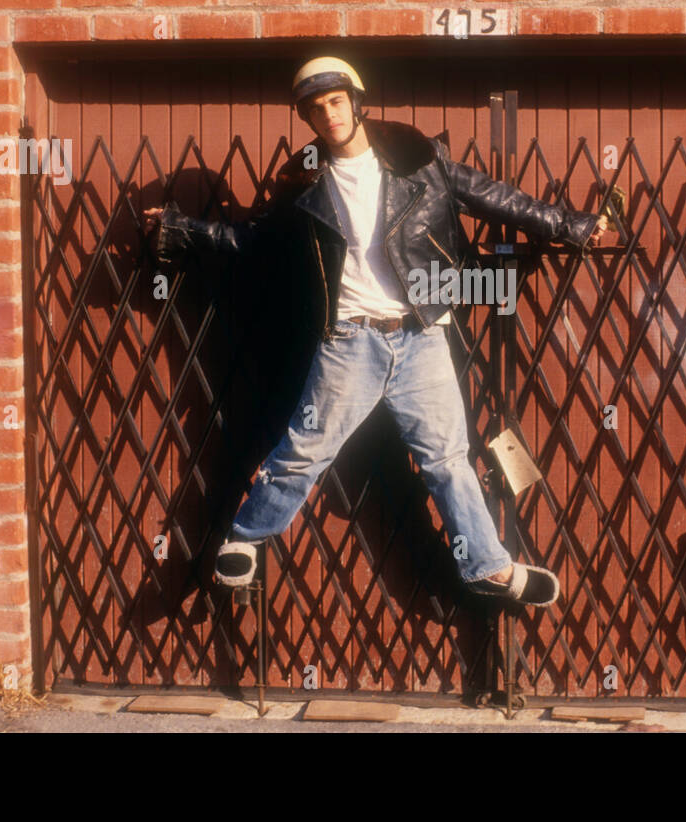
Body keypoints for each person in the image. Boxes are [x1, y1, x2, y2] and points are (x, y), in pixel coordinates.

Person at [142, 55, 608, 607]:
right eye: (315, 109)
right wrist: (183, 230)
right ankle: (245, 539)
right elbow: (254, 242)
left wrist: (571, 226)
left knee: (447, 459)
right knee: (304, 451)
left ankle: (486, 566)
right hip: (350, 342)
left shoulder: (419, 161)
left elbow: (494, 197)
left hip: (422, 334)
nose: (328, 115)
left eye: (336, 102)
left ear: (356, 101)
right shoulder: (305, 186)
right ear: (308, 118)